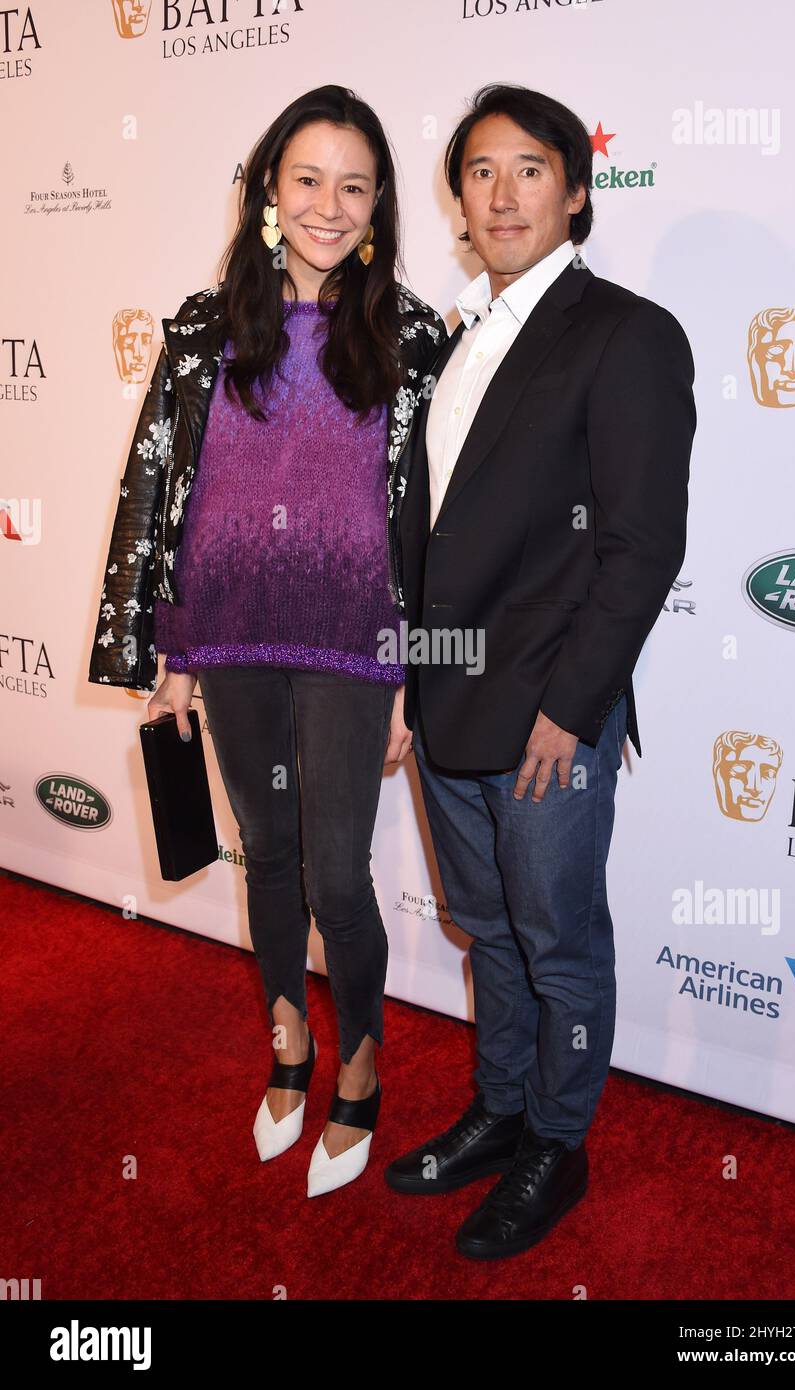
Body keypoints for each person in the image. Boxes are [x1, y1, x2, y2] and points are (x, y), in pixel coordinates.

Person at [89, 85, 445, 1198]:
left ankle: (364, 1069)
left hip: (353, 644)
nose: (329, 206)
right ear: (265, 192)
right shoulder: (204, 326)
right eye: (307, 179)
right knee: (271, 856)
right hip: (230, 633)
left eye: (354, 184)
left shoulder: (414, 332)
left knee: (340, 873)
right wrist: (165, 650)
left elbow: (432, 514)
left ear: (380, 200)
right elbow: (159, 483)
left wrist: (416, 676)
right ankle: (289, 1050)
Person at [386, 83, 696, 1258]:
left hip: (547, 722)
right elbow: (435, 543)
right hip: (451, 700)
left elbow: (639, 547)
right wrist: (411, 685)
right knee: (489, 932)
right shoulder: (457, 339)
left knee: (557, 942)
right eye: (480, 170)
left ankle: (558, 1144)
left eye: (530, 168)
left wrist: (573, 709)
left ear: (575, 191)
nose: (502, 192)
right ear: (457, 197)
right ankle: (503, 1110)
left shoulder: (625, 332)